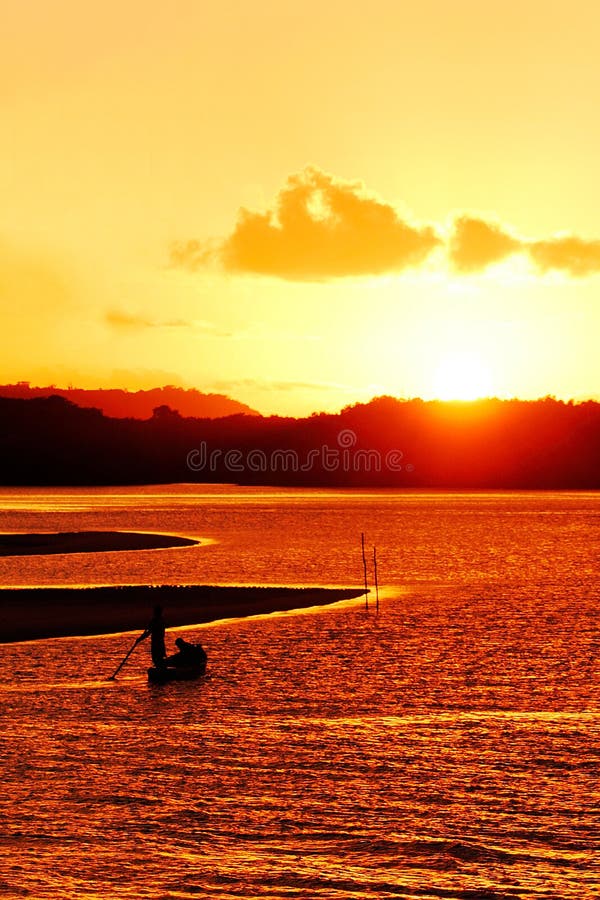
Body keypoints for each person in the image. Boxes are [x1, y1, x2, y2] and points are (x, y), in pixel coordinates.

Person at [138, 604, 167, 668]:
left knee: (157, 659)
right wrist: (140, 638)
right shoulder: (162, 620)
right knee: (160, 659)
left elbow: (148, 632)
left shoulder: (155, 621)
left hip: (156, 643)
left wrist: (140, 639)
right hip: (161, 643)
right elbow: (148, 632)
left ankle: (160, 672)